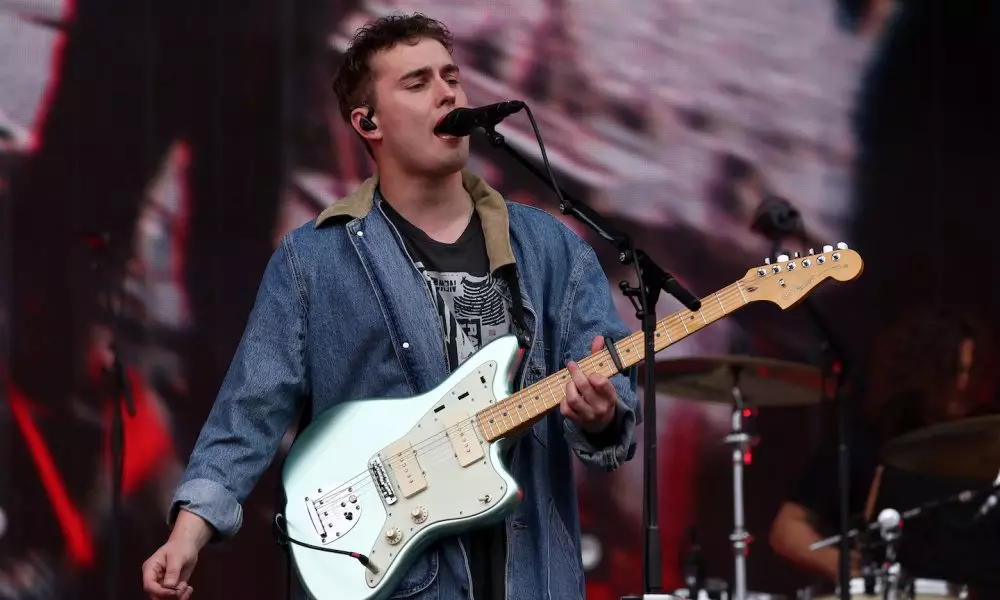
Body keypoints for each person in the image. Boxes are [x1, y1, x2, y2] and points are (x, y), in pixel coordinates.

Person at [140, 12, 639, 600]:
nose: (447, 91)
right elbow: (248, 411)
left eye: (451, 76)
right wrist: (189, 532)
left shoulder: (552, 250)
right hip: (395, 582)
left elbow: (615, 429)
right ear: (367, 122)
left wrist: (601, 416)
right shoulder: (314, 260)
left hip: (530, 576)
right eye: (417, 82)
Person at [769, 306, 999, 594]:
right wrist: (844, 567)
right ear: (922, 369)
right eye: (954, 370)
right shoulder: (869, 438)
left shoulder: (989, 440)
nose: (964, 384)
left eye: (972, 371)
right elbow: (788, 528)